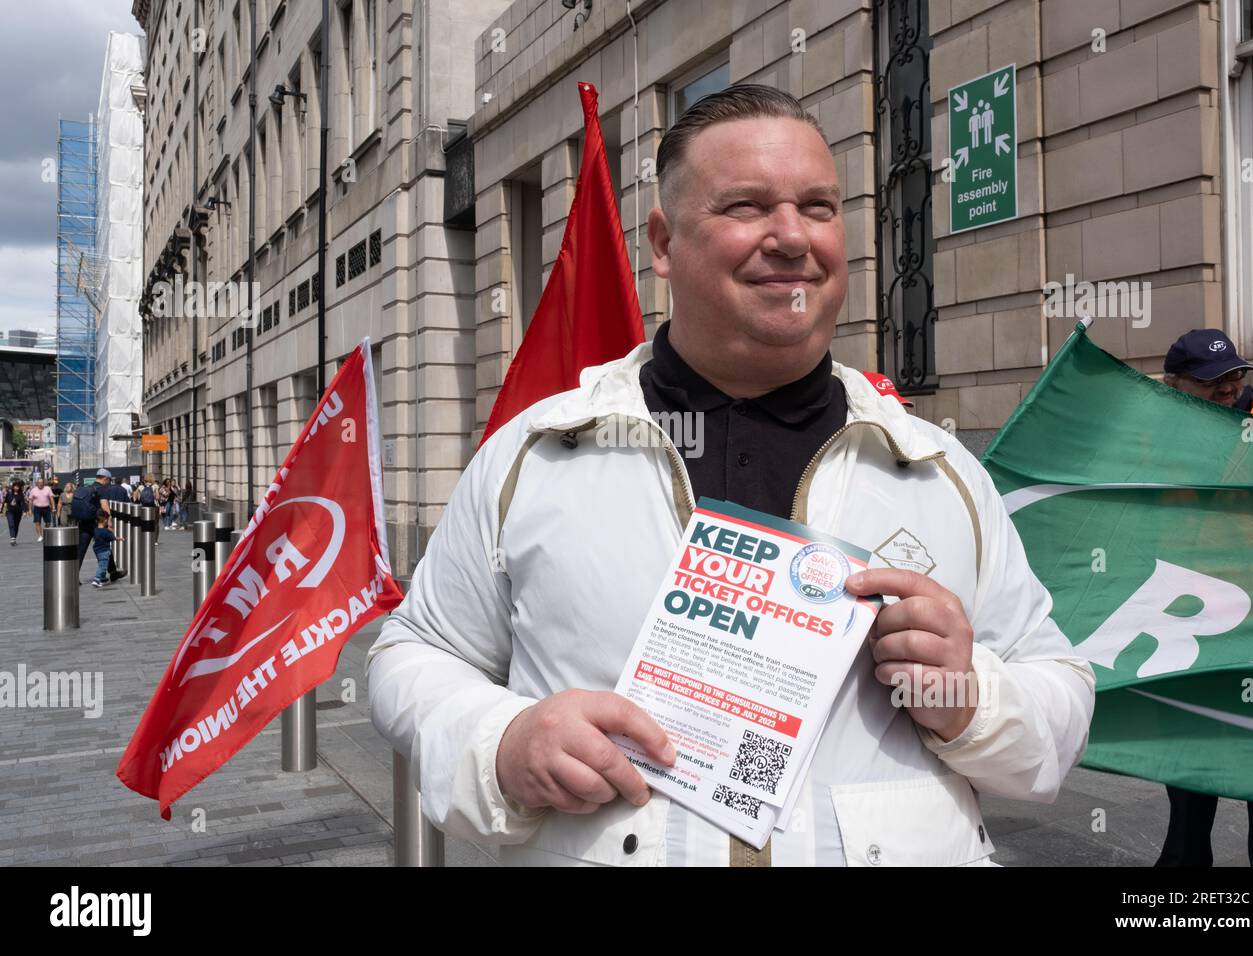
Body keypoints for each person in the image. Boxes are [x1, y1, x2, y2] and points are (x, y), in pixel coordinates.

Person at [365, 85, 1096, 867]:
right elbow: (412, 656)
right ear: (662, 241)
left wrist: (969, 696)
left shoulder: (937, 468)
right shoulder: (535, 456)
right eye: (747, 207)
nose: (791, 238)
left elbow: (1062, 693)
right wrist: (501, 743)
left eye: (818, 206)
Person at [1156, 329, 1253, 866]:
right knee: (1189, 778)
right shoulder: (1160, 442)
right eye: (1212, 379)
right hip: (1193, 635)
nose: (1229, 386)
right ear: (1172, 384)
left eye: (1235, 375)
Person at [1163, 329, 1253, 421]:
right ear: (1172, 385)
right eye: (1209, 379)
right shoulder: (1152, 432)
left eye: (1234, 374)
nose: (1227, 389)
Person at [73, 469, 127, 582]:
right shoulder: (102, 489)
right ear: (105, 478)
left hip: (84, 523)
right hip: (97, 523)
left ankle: (73, 577)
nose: (109, 483)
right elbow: (104, 505)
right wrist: (109, 521)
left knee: (81, 550)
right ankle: (113, 573)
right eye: (108, 480)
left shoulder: (88, 487)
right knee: (105, 546)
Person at [90, 514, 115, 589]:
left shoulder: (95, 530)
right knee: (102, 566)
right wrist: (110, 527)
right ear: (105, 521)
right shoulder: (105, 531)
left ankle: (102, 578)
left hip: (97, 551)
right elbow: (112, 537)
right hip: (104, 551)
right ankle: (96, 579)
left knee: (102, 564)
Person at [27, 477, 54, 543]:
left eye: (42, 482)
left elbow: (51, 498)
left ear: (43, 483)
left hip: (46, 508)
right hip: (37, 508)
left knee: (48, 523)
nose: (40, 484)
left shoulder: (48, 489)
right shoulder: (33, 490)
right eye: (39, 483)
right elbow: (30, 501)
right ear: (37, 483)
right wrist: (30, 510)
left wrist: (53, 507)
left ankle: (45, 534)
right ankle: (40, 536)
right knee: (37, 522)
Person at [2, 480, 26, 547]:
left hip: (18, 512)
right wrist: (2, 510)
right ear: (13, 487)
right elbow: (5, 502)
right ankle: (12, 538)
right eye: (15, 486)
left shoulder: (21, 495)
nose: (16, 488)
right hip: (9, 511)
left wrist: (24, 511)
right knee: (11, 524)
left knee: (16, 525)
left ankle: (14, 538)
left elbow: (23, 503)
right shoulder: (9, 494)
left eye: (18, 487)